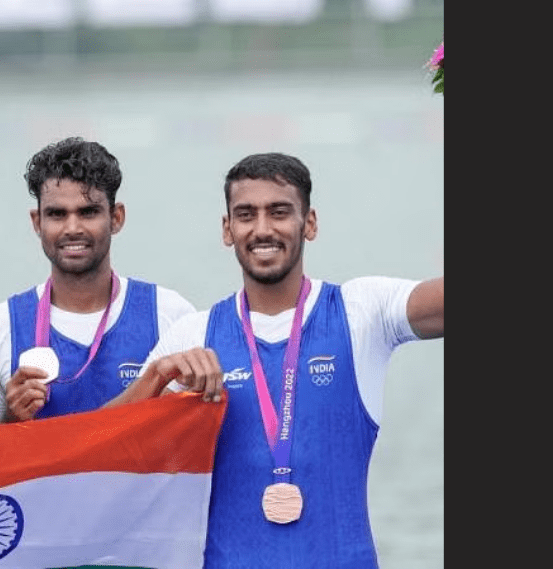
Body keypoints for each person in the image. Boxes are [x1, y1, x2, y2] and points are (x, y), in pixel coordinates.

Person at [135, 152, 444, 568]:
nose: (262, 229)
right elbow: (104, 448)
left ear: (309, 223)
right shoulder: (193, 335)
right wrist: (157, 377)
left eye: (279, 212)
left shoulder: (361, 313)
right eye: (246, 214)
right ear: (228, 229)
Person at [0, 137, 212, 423]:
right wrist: (12, 419)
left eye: (88, 212)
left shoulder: (171, 316)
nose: (72, 228)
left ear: (116, 217)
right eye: (57, 214)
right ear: (37, 222)